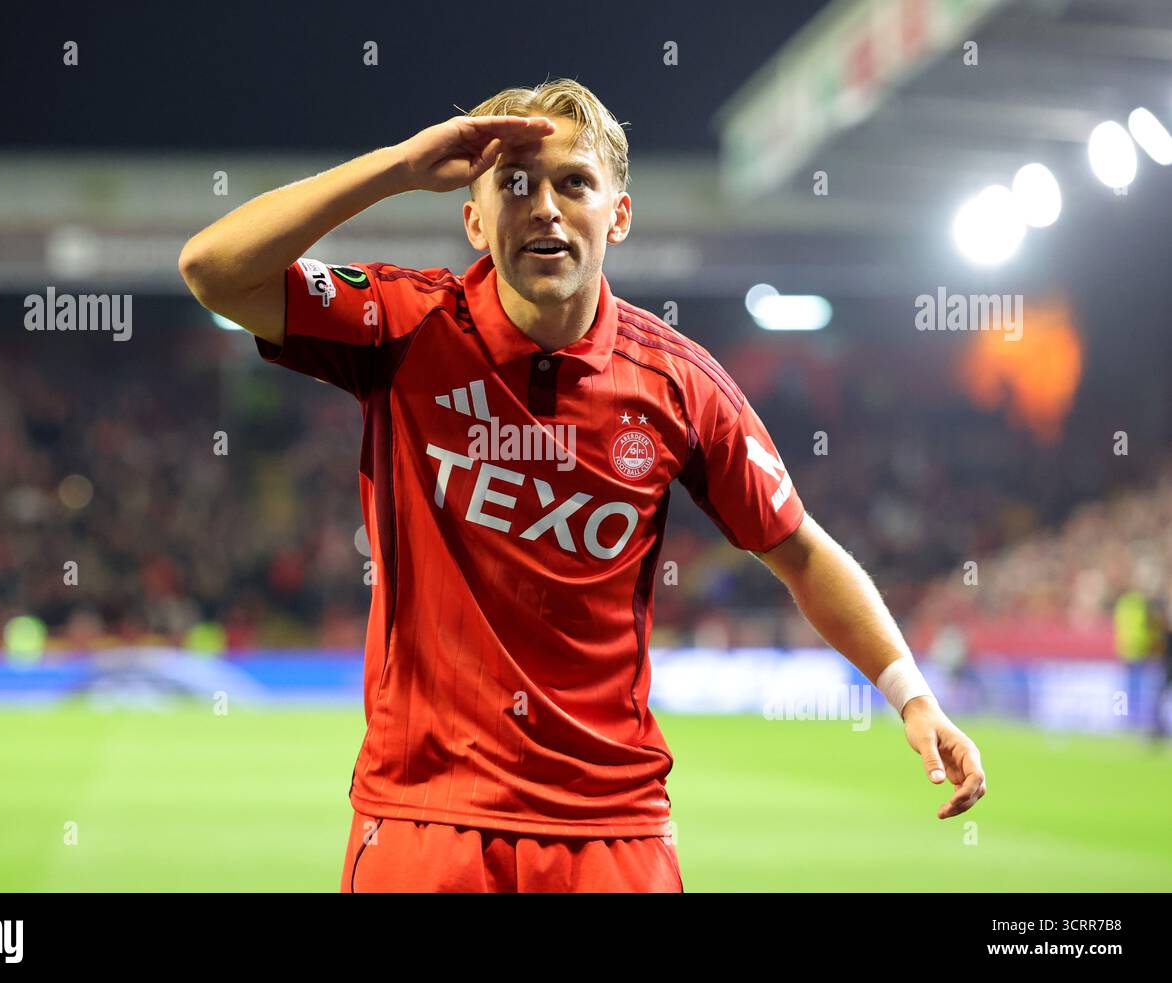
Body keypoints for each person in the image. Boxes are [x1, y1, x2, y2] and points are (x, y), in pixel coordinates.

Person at [179, 78, 987, 892]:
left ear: (619, 215)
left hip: (611, 830)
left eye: (574, 182)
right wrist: (397, 166)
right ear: (472, 214)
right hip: (426, 819)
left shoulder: (681, 384)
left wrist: (913, 694)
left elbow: (801, 551)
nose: (545, 208)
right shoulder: (402, 322)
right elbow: (213, 269)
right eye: (516, 183)